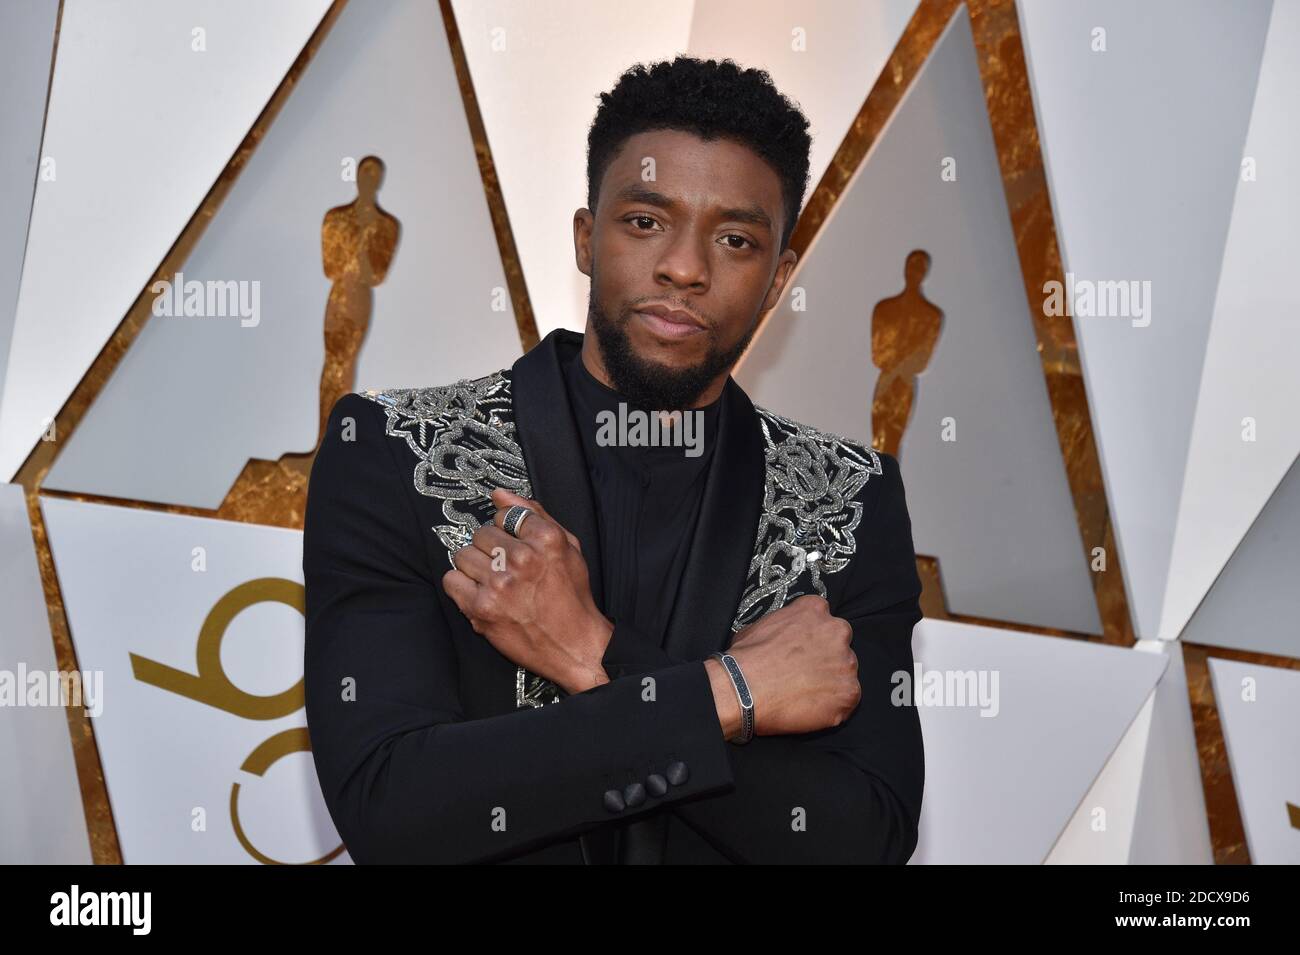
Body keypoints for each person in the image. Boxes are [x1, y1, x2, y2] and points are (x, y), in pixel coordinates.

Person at [303, 55, 925, 864]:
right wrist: (730, 693)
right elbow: (394, 808)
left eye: (735, 239)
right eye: (644, 221)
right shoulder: (397, 450)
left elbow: (861, 840)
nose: (684, 268)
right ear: (584, 238)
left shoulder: (846, 499)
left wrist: (593, 654)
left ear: (778, 281)